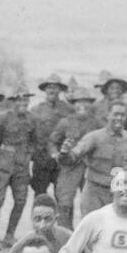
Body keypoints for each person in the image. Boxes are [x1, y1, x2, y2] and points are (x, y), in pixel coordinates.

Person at [0, 84, 35, 249]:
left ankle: (10, 234)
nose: (22, 103)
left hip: (22, 165)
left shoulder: (31, 119)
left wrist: (28, 155)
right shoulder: (1, 118)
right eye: (18, 100)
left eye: (25, 99)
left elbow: (35, 141)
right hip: (3, 164)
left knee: (20, 200)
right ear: (13, 101)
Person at [49, 87, 98, 227]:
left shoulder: (97, 123)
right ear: (73, 104)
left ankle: (88, 234)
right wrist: (56, 154)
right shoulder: (65, 122)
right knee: (65, 202)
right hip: (69, 167)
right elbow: (52, 141)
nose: (82, 105)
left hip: (90, 167)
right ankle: (65, 233)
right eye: (78, 102)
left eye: (85, 102)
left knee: (90, 203)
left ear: (90, 104)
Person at [30, 74, 71, 203]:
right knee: (40, 195)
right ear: (45, 90)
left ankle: (63, 223)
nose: (52, 90)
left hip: (61, 159)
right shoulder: (36, 110)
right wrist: (34, 154)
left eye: (55, 87)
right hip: (41, 160)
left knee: (63, 196)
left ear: (60, 90)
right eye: (49, 87)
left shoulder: (68, 109)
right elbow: (30, 135)